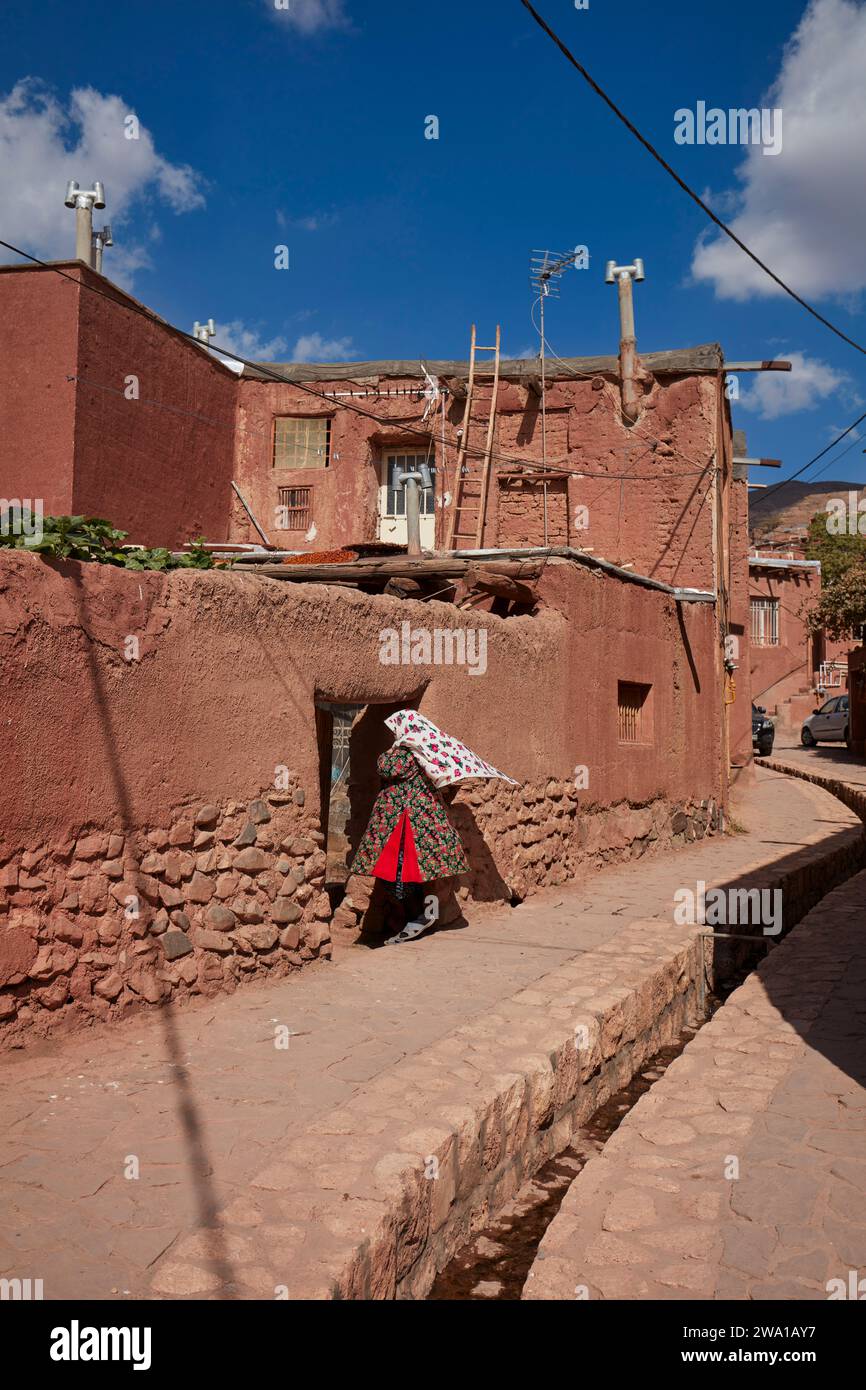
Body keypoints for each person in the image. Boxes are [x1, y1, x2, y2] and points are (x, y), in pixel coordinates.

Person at [351, 709, 516, 945]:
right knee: (421, 872)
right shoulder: (429, 755)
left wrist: (392, 749)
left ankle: (411, 919)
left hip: (404, 822)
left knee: (399, 872)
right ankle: (421, 917)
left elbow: (384, 767)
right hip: (425, 821)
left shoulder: (404, 755)